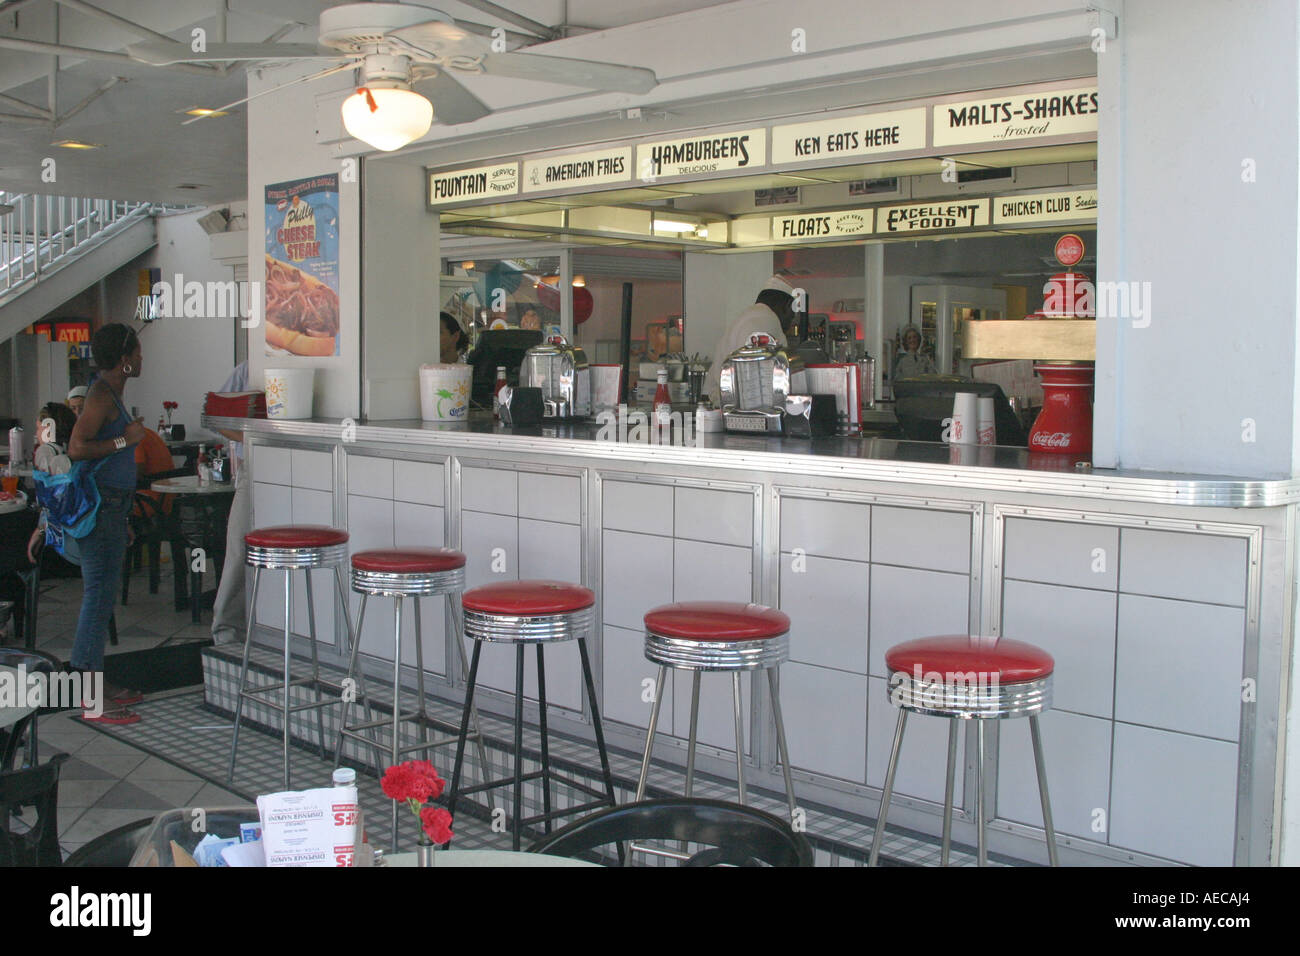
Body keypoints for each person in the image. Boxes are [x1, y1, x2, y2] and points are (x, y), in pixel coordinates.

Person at [67, 322, 147, 724]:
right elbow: (77, 448)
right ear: (124, 359)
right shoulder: (100, 394)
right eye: (136, 352)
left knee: (102, 598)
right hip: (101, 511)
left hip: (112, 509)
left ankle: (97, 683)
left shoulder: (110, 393)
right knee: (97, 599)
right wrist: (125, 440)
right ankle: (89, 695)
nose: (141, 358)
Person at [705, 275, 801, 403]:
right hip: (744, 409)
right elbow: (760, 383)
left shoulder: (745, 317)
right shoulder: (769, 321)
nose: (790, 323)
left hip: (723, 404)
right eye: (791, 315)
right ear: (788, 306)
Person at [210, 360, 251, 646]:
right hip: (256, 466)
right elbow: (214, 416)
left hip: (300, 464)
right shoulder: (248, 370)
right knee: (240, 548)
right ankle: (226, 635)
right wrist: (251, 439)